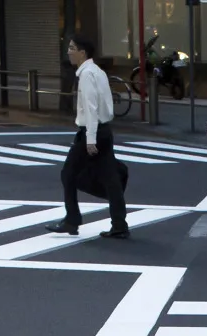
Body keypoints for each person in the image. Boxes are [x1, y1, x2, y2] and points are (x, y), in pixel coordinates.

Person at [45, 34, 128, 238]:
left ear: (83, 52)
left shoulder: (87, 74)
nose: (69, 51)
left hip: (93, 132)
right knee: (110, 179)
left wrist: (90, 139)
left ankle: (72, 220)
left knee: (68, 173)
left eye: (72, 48)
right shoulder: (97, 71)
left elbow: (91, 108)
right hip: (104, 131)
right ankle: (119, 225)